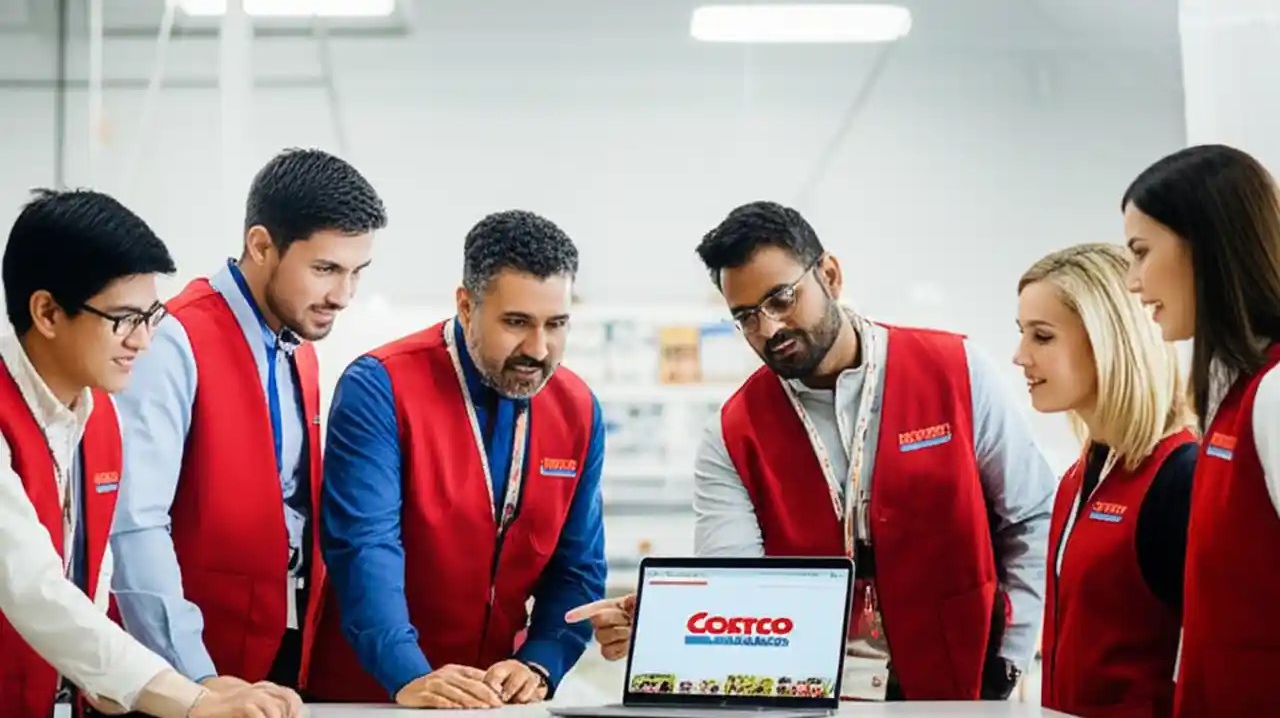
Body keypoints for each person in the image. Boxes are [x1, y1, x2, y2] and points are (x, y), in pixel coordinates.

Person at [570, 201, 1056, 702]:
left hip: (963, 685)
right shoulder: (734, 434)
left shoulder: (955, 371)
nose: (769, 329)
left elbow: (1031, 515)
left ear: (829, 274)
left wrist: (1011, 661)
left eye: (781, 299)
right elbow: (738, 589)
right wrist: (666, 624)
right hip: (811, 694)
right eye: (746, 317)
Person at [0, 189, 303, 718]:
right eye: (123, 319)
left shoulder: (100, 418)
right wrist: (190, 700)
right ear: (47, 312)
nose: (143, 341)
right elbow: (31, 587)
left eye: (152, 315)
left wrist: (195, 686)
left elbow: (91, 588)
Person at [109, 147, 388, 692]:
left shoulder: (297, 343)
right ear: (261, 245)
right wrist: (194, 677)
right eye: (326, 269)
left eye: (357, 272)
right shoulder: (173, 340)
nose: (344, 295)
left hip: (276, 655)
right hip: (185, 676)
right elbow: (134, 526)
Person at [303, 209, 607, 708]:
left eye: (556, 324)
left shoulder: (576, 410)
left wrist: (540, 661)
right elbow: (364, 545)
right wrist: (407, 672)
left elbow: (577, 568)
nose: (538, 348)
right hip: (372, 694)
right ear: (466, 305)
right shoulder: (381, 387)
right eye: (516, 322)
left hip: (494, 700)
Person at [1122, 144, 1280, 718]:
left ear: (1206, 245)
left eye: (1142, 253)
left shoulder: (1274, 393)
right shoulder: (1231, 397)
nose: (1134, 281)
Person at [1014, 243, 1197, 717]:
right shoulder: (1079, 477)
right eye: (1022, 334)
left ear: (1107, 340)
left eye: (1042, 336)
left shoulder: (1180, 477)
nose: (1020, 356)